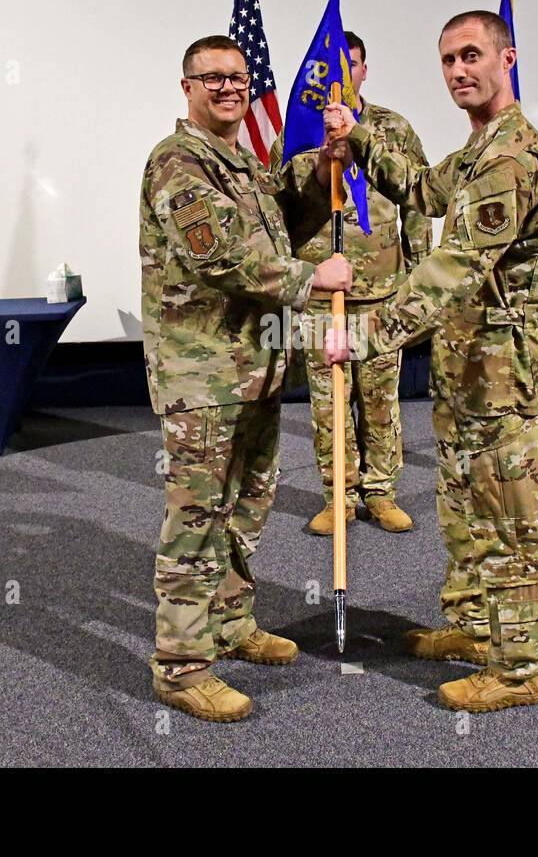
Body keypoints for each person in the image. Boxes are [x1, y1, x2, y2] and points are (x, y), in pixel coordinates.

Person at [322, 11, 538, 713]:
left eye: (471, 56)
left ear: (507, 56)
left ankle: (521, 668)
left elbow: (455, 264)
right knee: (463, 504)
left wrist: (371, 333)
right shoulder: (476, 150)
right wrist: (359, 138)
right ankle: (475, 625)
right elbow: (424, 189)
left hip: (498, 371)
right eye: (448, 61)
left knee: (510, 514)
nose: (459, 71)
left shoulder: (514, 155)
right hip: (465, 371)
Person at [140, 35, 351, 722]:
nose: (230, 88)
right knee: (197, 521)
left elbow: (282, 219)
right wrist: (310, 278)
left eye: (238, 77)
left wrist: (328, 165)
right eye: (214, 78)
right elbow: (218, 253)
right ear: (187, 87)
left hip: (254, 369)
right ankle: (181, 665)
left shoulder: (241, 163)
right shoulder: (178, 164)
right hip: (202, 376)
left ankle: (229, 623)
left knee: (244, 511)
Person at [270, 30, 432, 536]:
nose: (344, 74)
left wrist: (421, 276)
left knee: (382, 400)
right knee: (329, 402)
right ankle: (338, 495)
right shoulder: (299, 130)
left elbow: (416, 203)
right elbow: (280, 203)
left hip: (383, 292)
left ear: (364, 70)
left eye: (353, 64)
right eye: (335, 66)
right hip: (322, 295)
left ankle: (381, 493)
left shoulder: (391, 128)